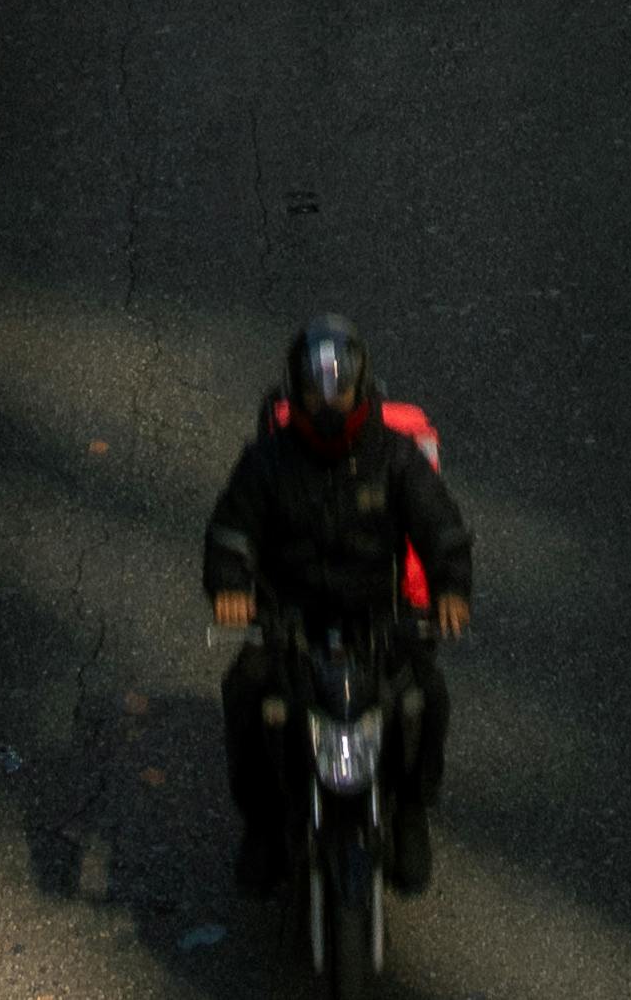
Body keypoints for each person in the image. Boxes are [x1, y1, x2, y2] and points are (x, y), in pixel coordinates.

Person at [206, 316, 472, 903]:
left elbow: (441, 527)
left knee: (425, 697)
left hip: (379, 619)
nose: (328, 403)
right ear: (296, 390)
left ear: (360, 386)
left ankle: (410, 811)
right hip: (289, 620)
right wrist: (230, 585)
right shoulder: (266, 462)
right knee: (247, 695)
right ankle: (263, 823)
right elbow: (231, 530)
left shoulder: (395, 457)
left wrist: (451, 588)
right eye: (314, 390)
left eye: (340, 389)